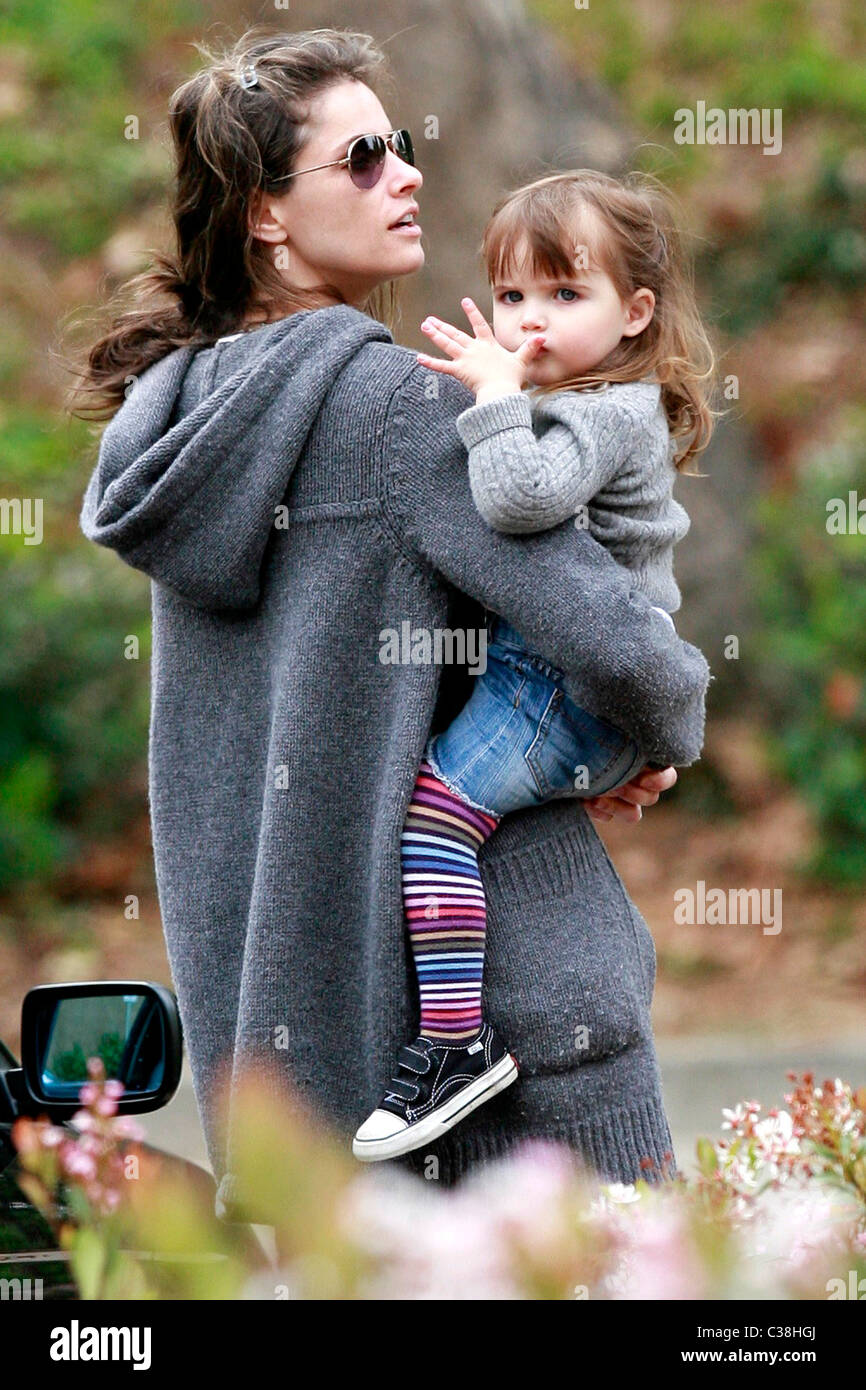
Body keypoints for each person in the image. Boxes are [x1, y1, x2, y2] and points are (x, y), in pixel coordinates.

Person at [71, 27, 711, 1212]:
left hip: (291, 1071)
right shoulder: (396, 411)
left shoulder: (178, 430)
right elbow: (629, 652)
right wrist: (655, 735)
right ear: (264, 214)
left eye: (401, 146)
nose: (407, 172)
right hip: (516, 1037)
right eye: (362, 157)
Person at [353, 168, 715, 1162]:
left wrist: (496, 397)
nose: (530, 321)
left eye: (566, 295)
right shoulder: (591, 399)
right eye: (512, 296)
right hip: (576, 692)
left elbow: (517, 500)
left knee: (431, 819)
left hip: (555, 685)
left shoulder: (605, 413)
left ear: (635, 311)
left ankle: (454, 1040)